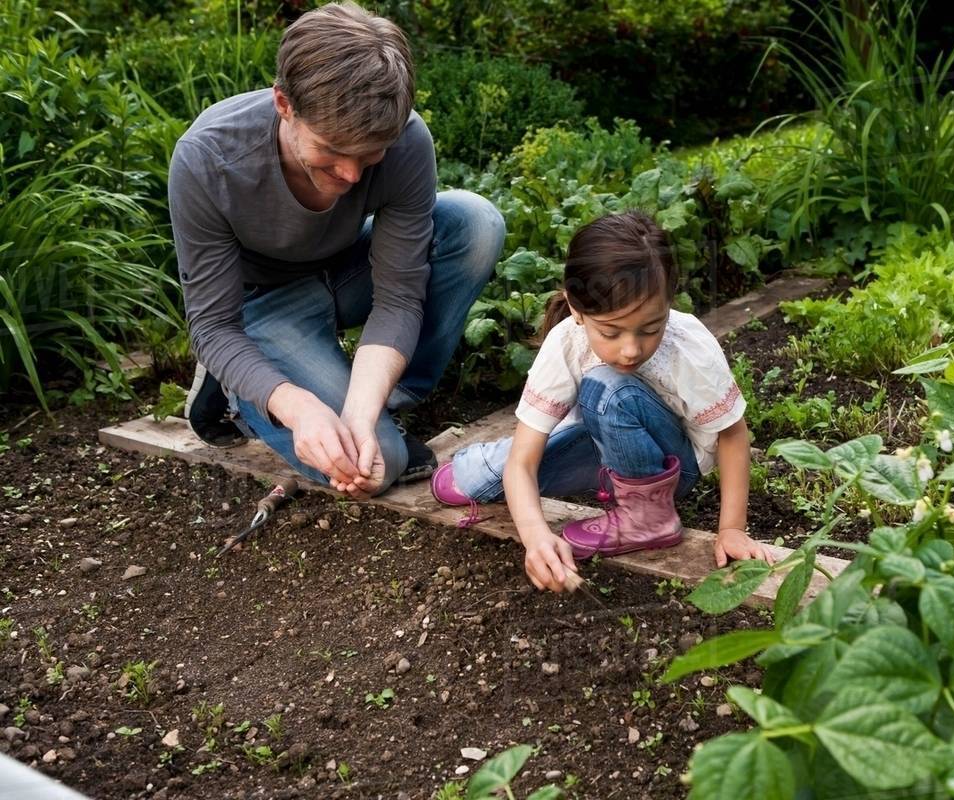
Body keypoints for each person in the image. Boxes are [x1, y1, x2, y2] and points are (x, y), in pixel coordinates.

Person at [168, 2, 505, 499]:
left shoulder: (407, 140)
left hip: (347, 270)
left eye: (369, 156)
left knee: (473, 223)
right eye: (331, 150)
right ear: (285, 104)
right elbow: (213, 324)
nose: (350, 176)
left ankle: (388, 398)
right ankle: (243, 393)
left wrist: (362, 411)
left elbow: (397, 297)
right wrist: (298, 407)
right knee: (380, 466)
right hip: (260, 304)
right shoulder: (209, 159)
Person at [429, 211, 774, 591]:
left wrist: (731, 530)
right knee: (470, 480)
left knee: (609, 387)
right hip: (601, 445)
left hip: (673, 466)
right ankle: (497, 465)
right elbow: (524, 461)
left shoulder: (687, 348)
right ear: (577, 309)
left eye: (651, 328)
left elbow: (732, 434)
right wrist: (536, 537)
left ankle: (647, 516)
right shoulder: (566, 343)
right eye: (610, 332)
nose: (631, 349)